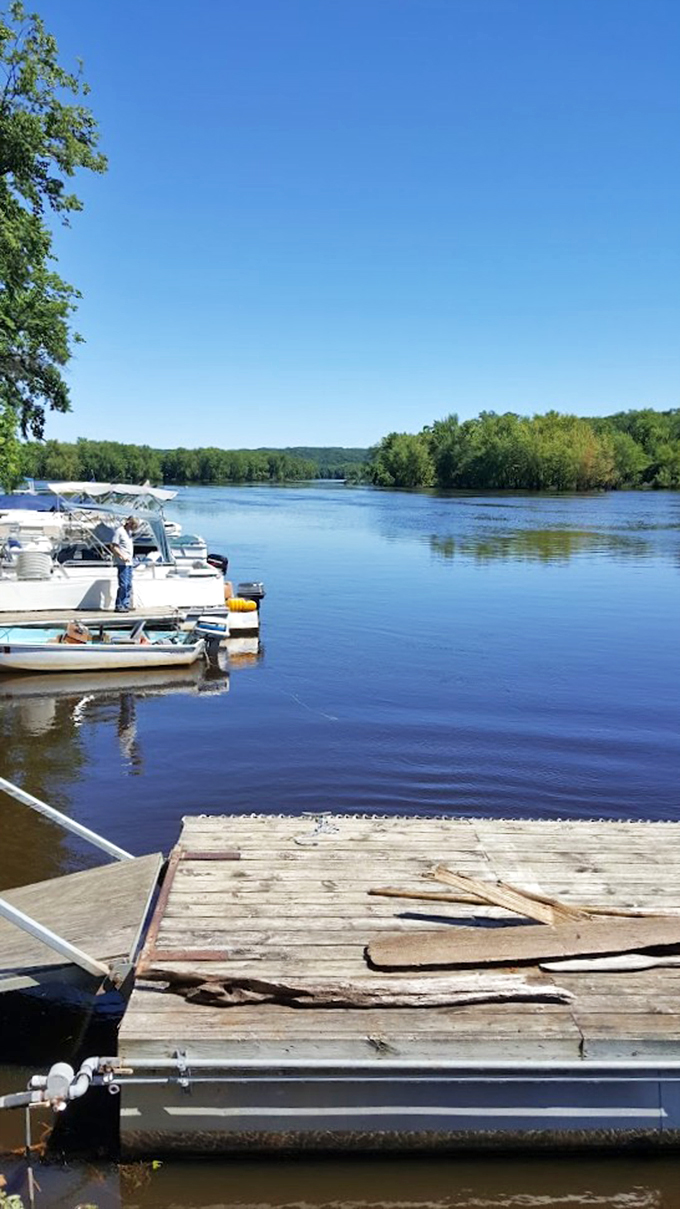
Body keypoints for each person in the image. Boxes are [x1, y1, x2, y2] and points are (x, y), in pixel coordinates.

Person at [111, 517, 138, 611]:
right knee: (124, 584)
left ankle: (126, 604)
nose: (133, 528)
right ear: (128, 523)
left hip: (129, 562)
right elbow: (114, 546)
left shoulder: (129, 533)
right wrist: (121, 555)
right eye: (132, 525)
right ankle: (119, 605)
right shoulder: (119, 531)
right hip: (122, 562)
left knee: (129, 584)